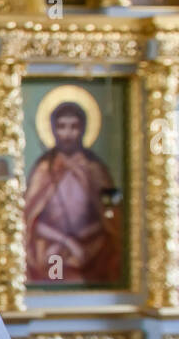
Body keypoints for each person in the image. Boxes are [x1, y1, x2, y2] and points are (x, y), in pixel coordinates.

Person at [24, 100, 122, 284]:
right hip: (47, 249)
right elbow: (30, 217)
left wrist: (83, 240)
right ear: (53, 130)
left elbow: (110, 218)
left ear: (83, 129)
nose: (68, 134)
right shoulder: (44, 170)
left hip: (93, 248)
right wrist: (67, 241)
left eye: (74, 127)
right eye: (62, 127)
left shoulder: (94, 169)